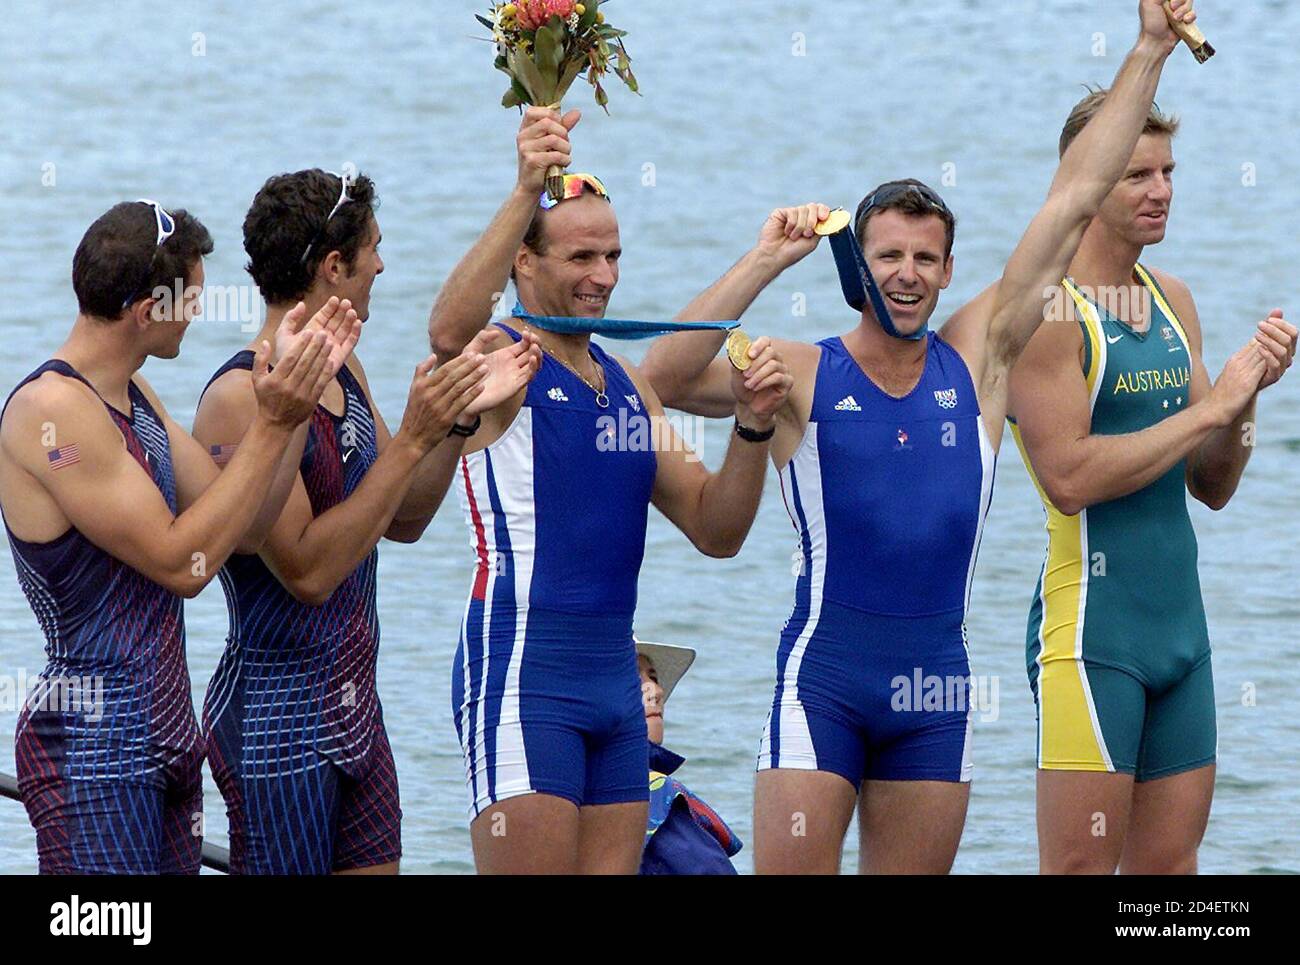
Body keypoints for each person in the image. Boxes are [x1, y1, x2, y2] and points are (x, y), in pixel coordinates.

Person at [640, 0, 1205, 874]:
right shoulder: (799, 370)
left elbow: (1074, 199)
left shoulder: (978, 359)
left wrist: (1149, 50)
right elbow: (664, 378)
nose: (906, 275)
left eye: (926, 259)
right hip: (822, 683)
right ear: (855, 267)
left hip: (936, 694)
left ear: (948, 271)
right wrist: (763, 260)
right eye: (888, 257)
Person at [428, 111, 793, 874]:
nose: (604, 276)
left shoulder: (629, 388)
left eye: (614, 255)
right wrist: (526, 183)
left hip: (614, 688)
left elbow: (715, 528)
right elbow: (445, 330)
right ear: (523, 262)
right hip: (523, 673)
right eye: (582, 255)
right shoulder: (502, 360)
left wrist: (752, 431)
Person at [194, 169, 541, 875]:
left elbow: (404, 515)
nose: (382, 264)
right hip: (273, 715)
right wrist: (415, 435)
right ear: (333, 267)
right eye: (373, 249)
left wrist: (456, 417)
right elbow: (310, 571)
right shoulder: (242, 395)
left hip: (357, 708)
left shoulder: (345, 374)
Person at [0, 199, 355, 874]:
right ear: (146, 311)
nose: (199, 312)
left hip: (165, 736)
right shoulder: (51, 411)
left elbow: (245, 527)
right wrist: (273, 427)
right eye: (190, 298)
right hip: (91, 744)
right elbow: (182, 562)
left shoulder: (135, 393)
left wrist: (294, 408)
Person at [1006, 100, 1296, 872]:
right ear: (1084, 181)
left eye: (1168, 172)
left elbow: (1212, 483)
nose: (1160, 190)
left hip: (1182, 638)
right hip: (1092, 636)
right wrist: (1218, 402)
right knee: (1078, 869)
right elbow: (1068, 478)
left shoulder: (1172, 299)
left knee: (1172, 880)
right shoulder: (1046, 314)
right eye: (1136, 174)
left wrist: (1248, 396)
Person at [635, 639, 742, 875]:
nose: (656, 690)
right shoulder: (653, 793)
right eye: (634, 678)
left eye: (653, 677)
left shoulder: (557, 795)